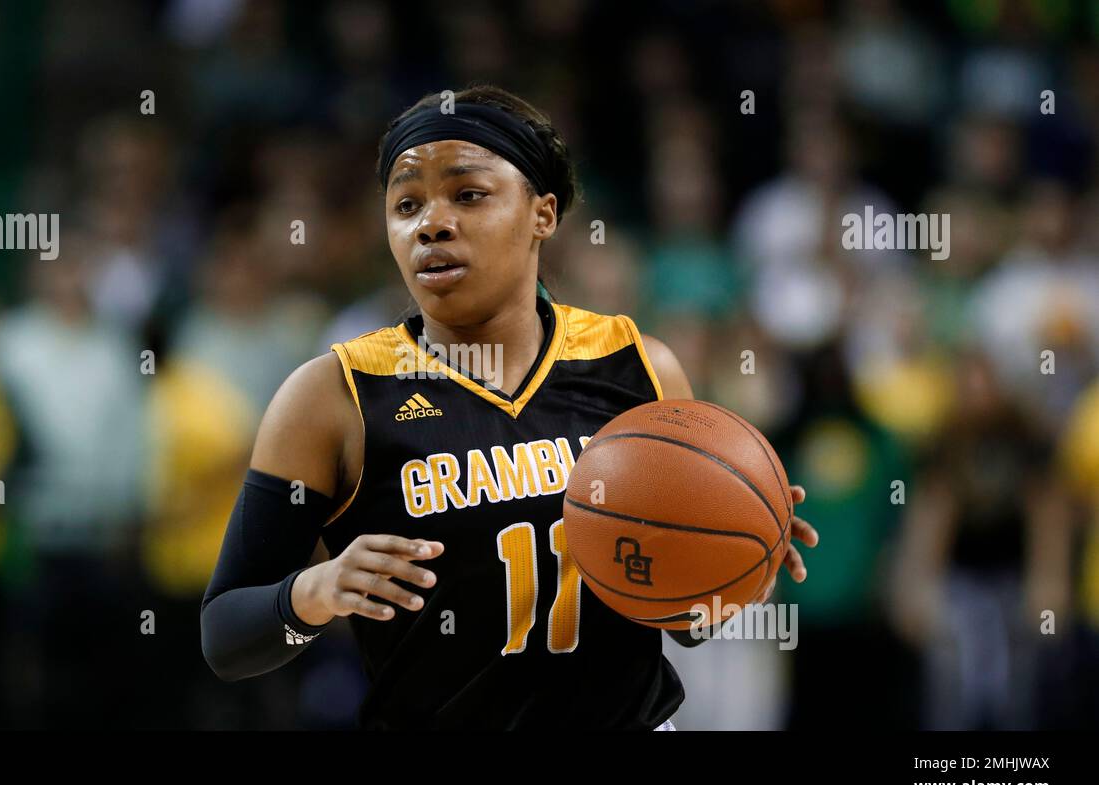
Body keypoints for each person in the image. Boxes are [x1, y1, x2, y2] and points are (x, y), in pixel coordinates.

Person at [201, 85, 819, 730]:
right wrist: (313, 593)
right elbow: (225, 636)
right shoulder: (333, 395)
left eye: (468, 195)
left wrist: (739, 561)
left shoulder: (637, 365)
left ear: (543, 215)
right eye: (406, 204)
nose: (431, 224)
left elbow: (683, 621)